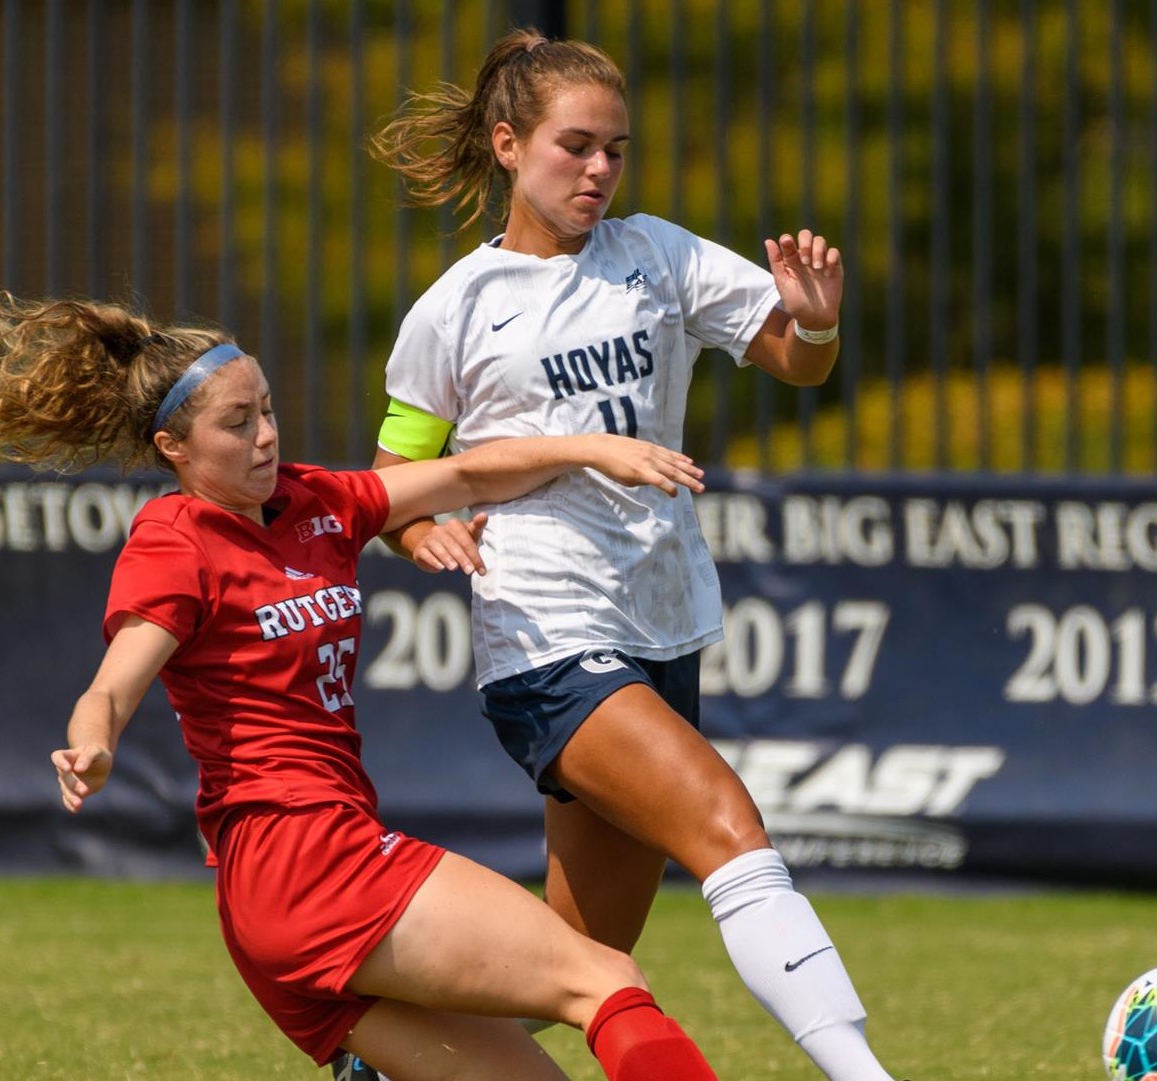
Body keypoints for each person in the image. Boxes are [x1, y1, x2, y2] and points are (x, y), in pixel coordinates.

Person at [0, 293, 727, 1081]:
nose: (265, 435)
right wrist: (92, 744)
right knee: (608, 980)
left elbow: (464, 472)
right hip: (304, 856)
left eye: (267, 409)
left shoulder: (314, 502)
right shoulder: (175, 541)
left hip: (283, 893)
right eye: (236, 424)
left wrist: (587, 447)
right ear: (173, 445)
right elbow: (112, 683)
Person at [365, 28, 905, 1081]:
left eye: (616, 148)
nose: (600, 170)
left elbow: (793, 362)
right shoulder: (455, 308)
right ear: (509, 143)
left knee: (579, 957)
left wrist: (819, 328)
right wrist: (421, 528)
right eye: (577, 146)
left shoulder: (656, 253)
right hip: (543, 632)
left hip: (660, 621)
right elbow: (391, 480)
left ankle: (384, 1066)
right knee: (728, 824)